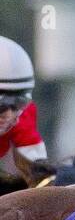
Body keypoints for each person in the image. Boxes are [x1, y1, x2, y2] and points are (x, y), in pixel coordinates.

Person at [0, 36, 47, 176]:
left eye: (18, 102)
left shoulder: (24, 115)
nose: (9, 114)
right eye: (1, 104)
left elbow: (39, 173)